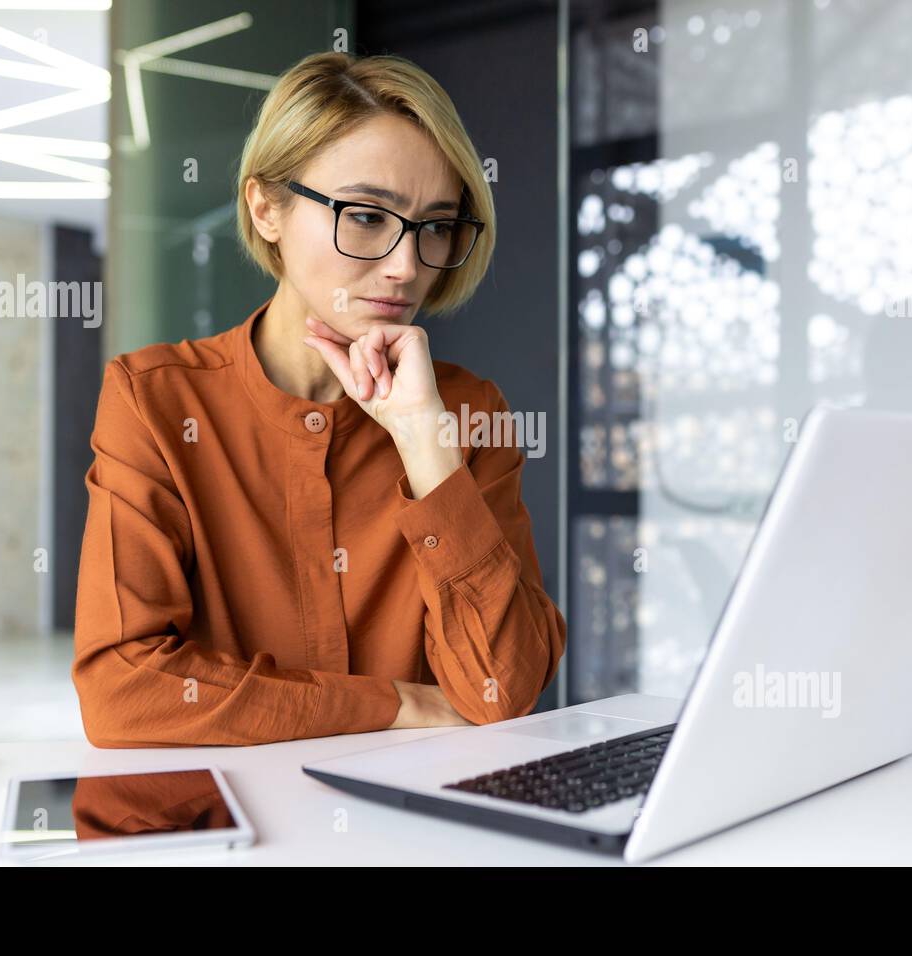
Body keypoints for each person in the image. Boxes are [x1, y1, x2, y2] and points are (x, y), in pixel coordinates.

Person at [71, 51, 566, 747]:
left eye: (435, 227)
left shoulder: (468, 413)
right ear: (265, 207)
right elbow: (125, 692)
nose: (405, 266)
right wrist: (396, 704)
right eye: (366, 215)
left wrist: (428, 448)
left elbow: (501, 690)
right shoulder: (154, 401)